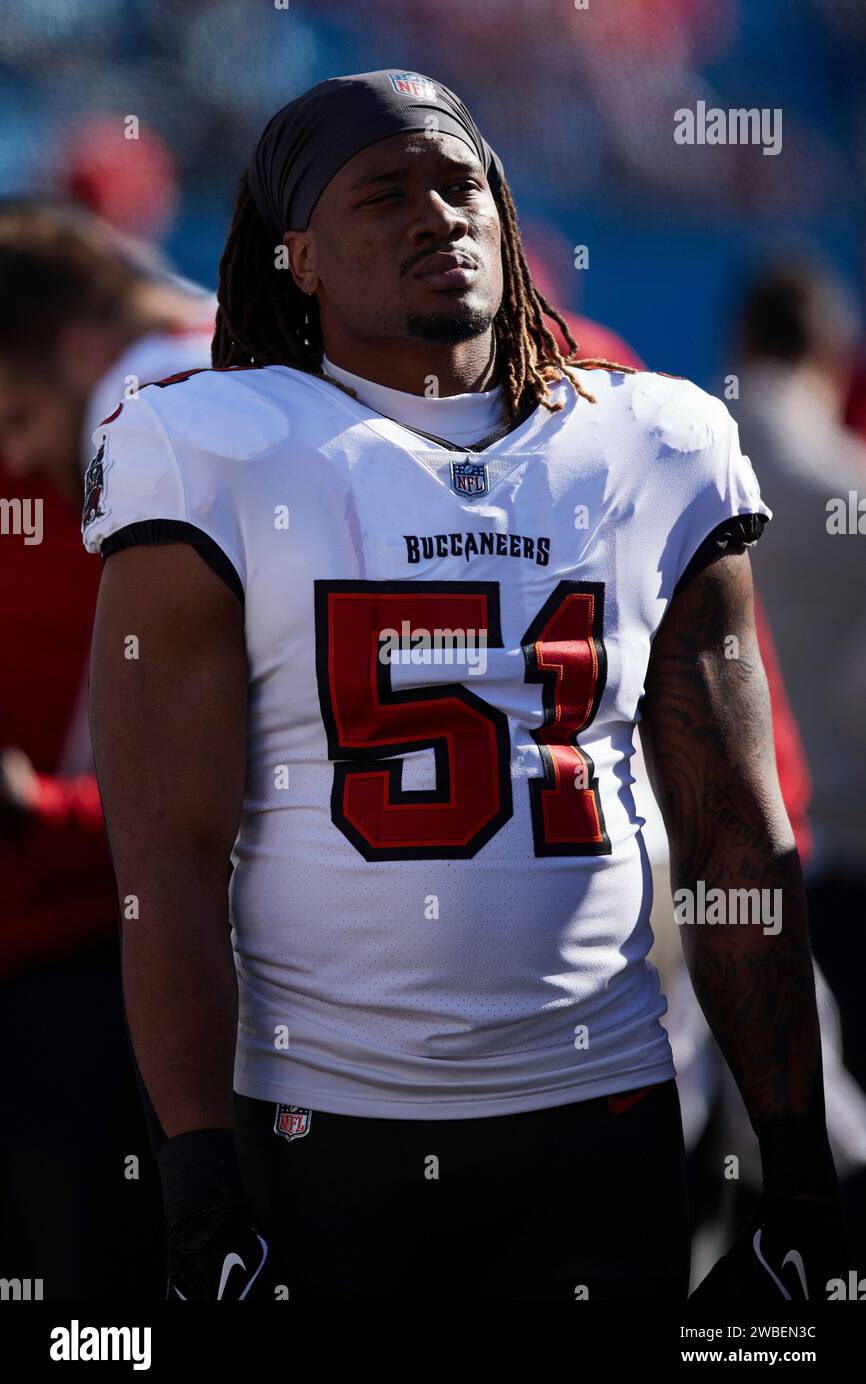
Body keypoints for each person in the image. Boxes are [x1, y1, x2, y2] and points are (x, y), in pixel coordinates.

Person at [84, 70, 843, 1301]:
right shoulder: (207, 447)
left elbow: (734, 837)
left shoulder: (651, 438)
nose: (437, 216)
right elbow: (164, 863)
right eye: (383, 195)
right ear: (301, 259)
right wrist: (198, 1186)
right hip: (325, 1124)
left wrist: (797, 1167)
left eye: (461, 185)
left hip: (602, 1104)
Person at [0, 199, 214, 1296]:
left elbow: (200, 779)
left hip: (163, 959)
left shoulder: (142, 410)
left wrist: (51, 813)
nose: (19, 453)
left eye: (24, 412)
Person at [732, 263, 866, 1097]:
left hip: (713, 860)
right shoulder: (851, 485)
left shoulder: (676, 467)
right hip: (842, 849)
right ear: (833, 353)